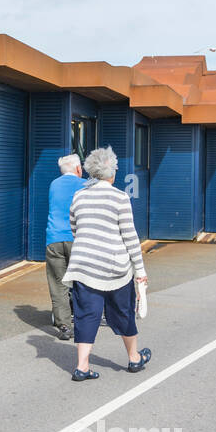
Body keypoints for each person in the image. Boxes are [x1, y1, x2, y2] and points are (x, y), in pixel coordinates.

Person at [61, 147, 151, 381]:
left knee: (86, 315)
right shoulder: (120, 197)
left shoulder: (79, 196)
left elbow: (75, 228)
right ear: (111, 172)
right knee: (123, 313)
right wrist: (140, 271)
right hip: (115, 268)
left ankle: (82, 366)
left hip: (84, 266)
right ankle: (134, 358)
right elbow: (130, 237)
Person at [45, 153, 87, 341]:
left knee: (58, 283)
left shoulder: (54, 184)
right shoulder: (85, 185)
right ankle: (85, 319)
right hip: (76, 239)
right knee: (82, 280)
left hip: (54, 239)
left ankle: (64, 326)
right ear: (78, 169)